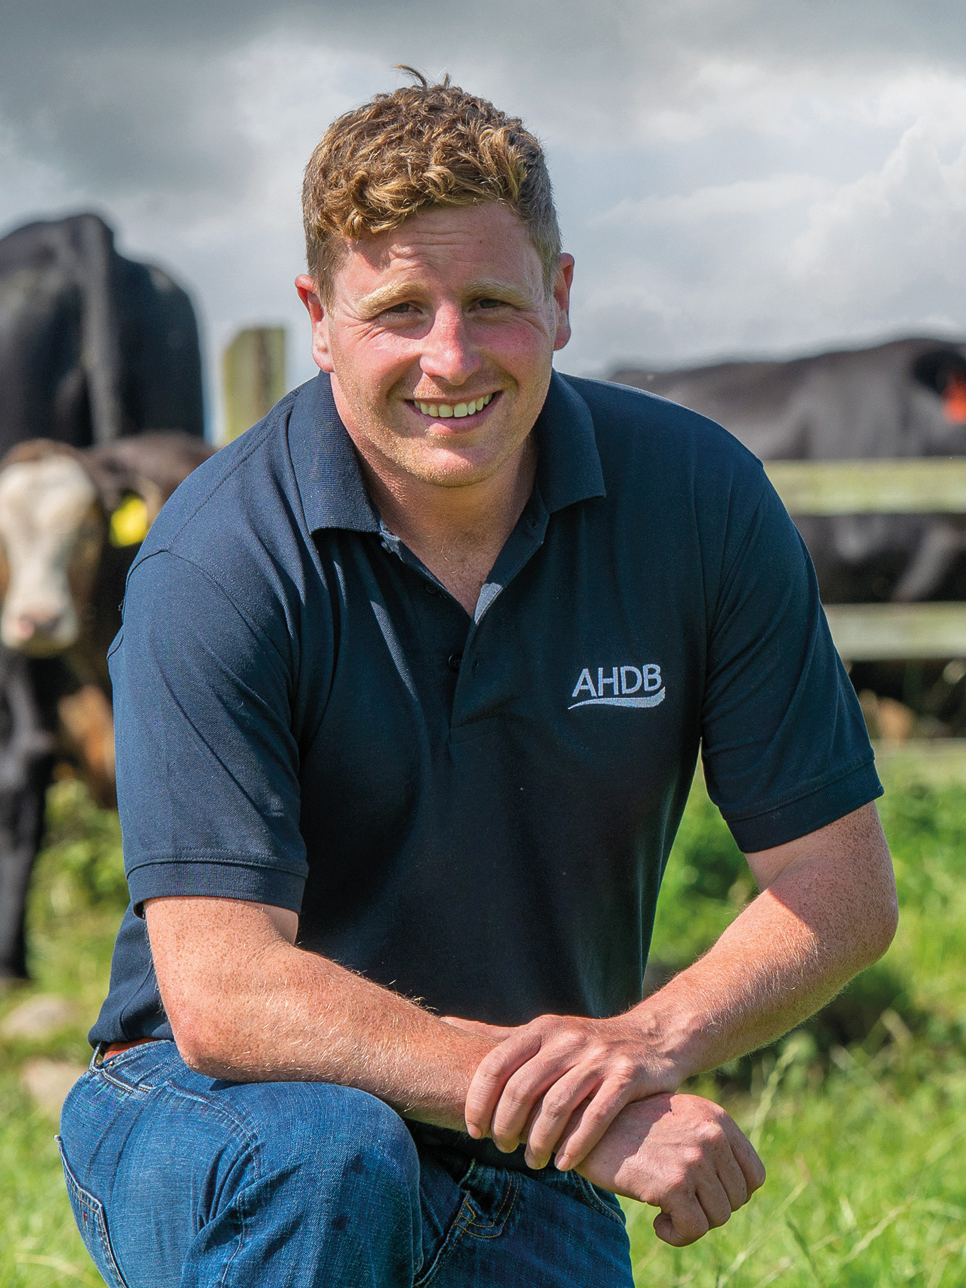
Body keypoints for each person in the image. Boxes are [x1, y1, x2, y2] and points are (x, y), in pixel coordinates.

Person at [57, 78, 898, 1287]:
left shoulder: (700, 502)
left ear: (559, 298)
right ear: (321, 316)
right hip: (209, 1105)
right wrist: (588, 1113)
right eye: (399, 307)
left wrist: (641, 1045)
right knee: (332, 1155)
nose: (449, 357)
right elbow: (225, 991)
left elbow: (843, 884)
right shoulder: (218, 555)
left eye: (492, 302)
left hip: (514, 1143)